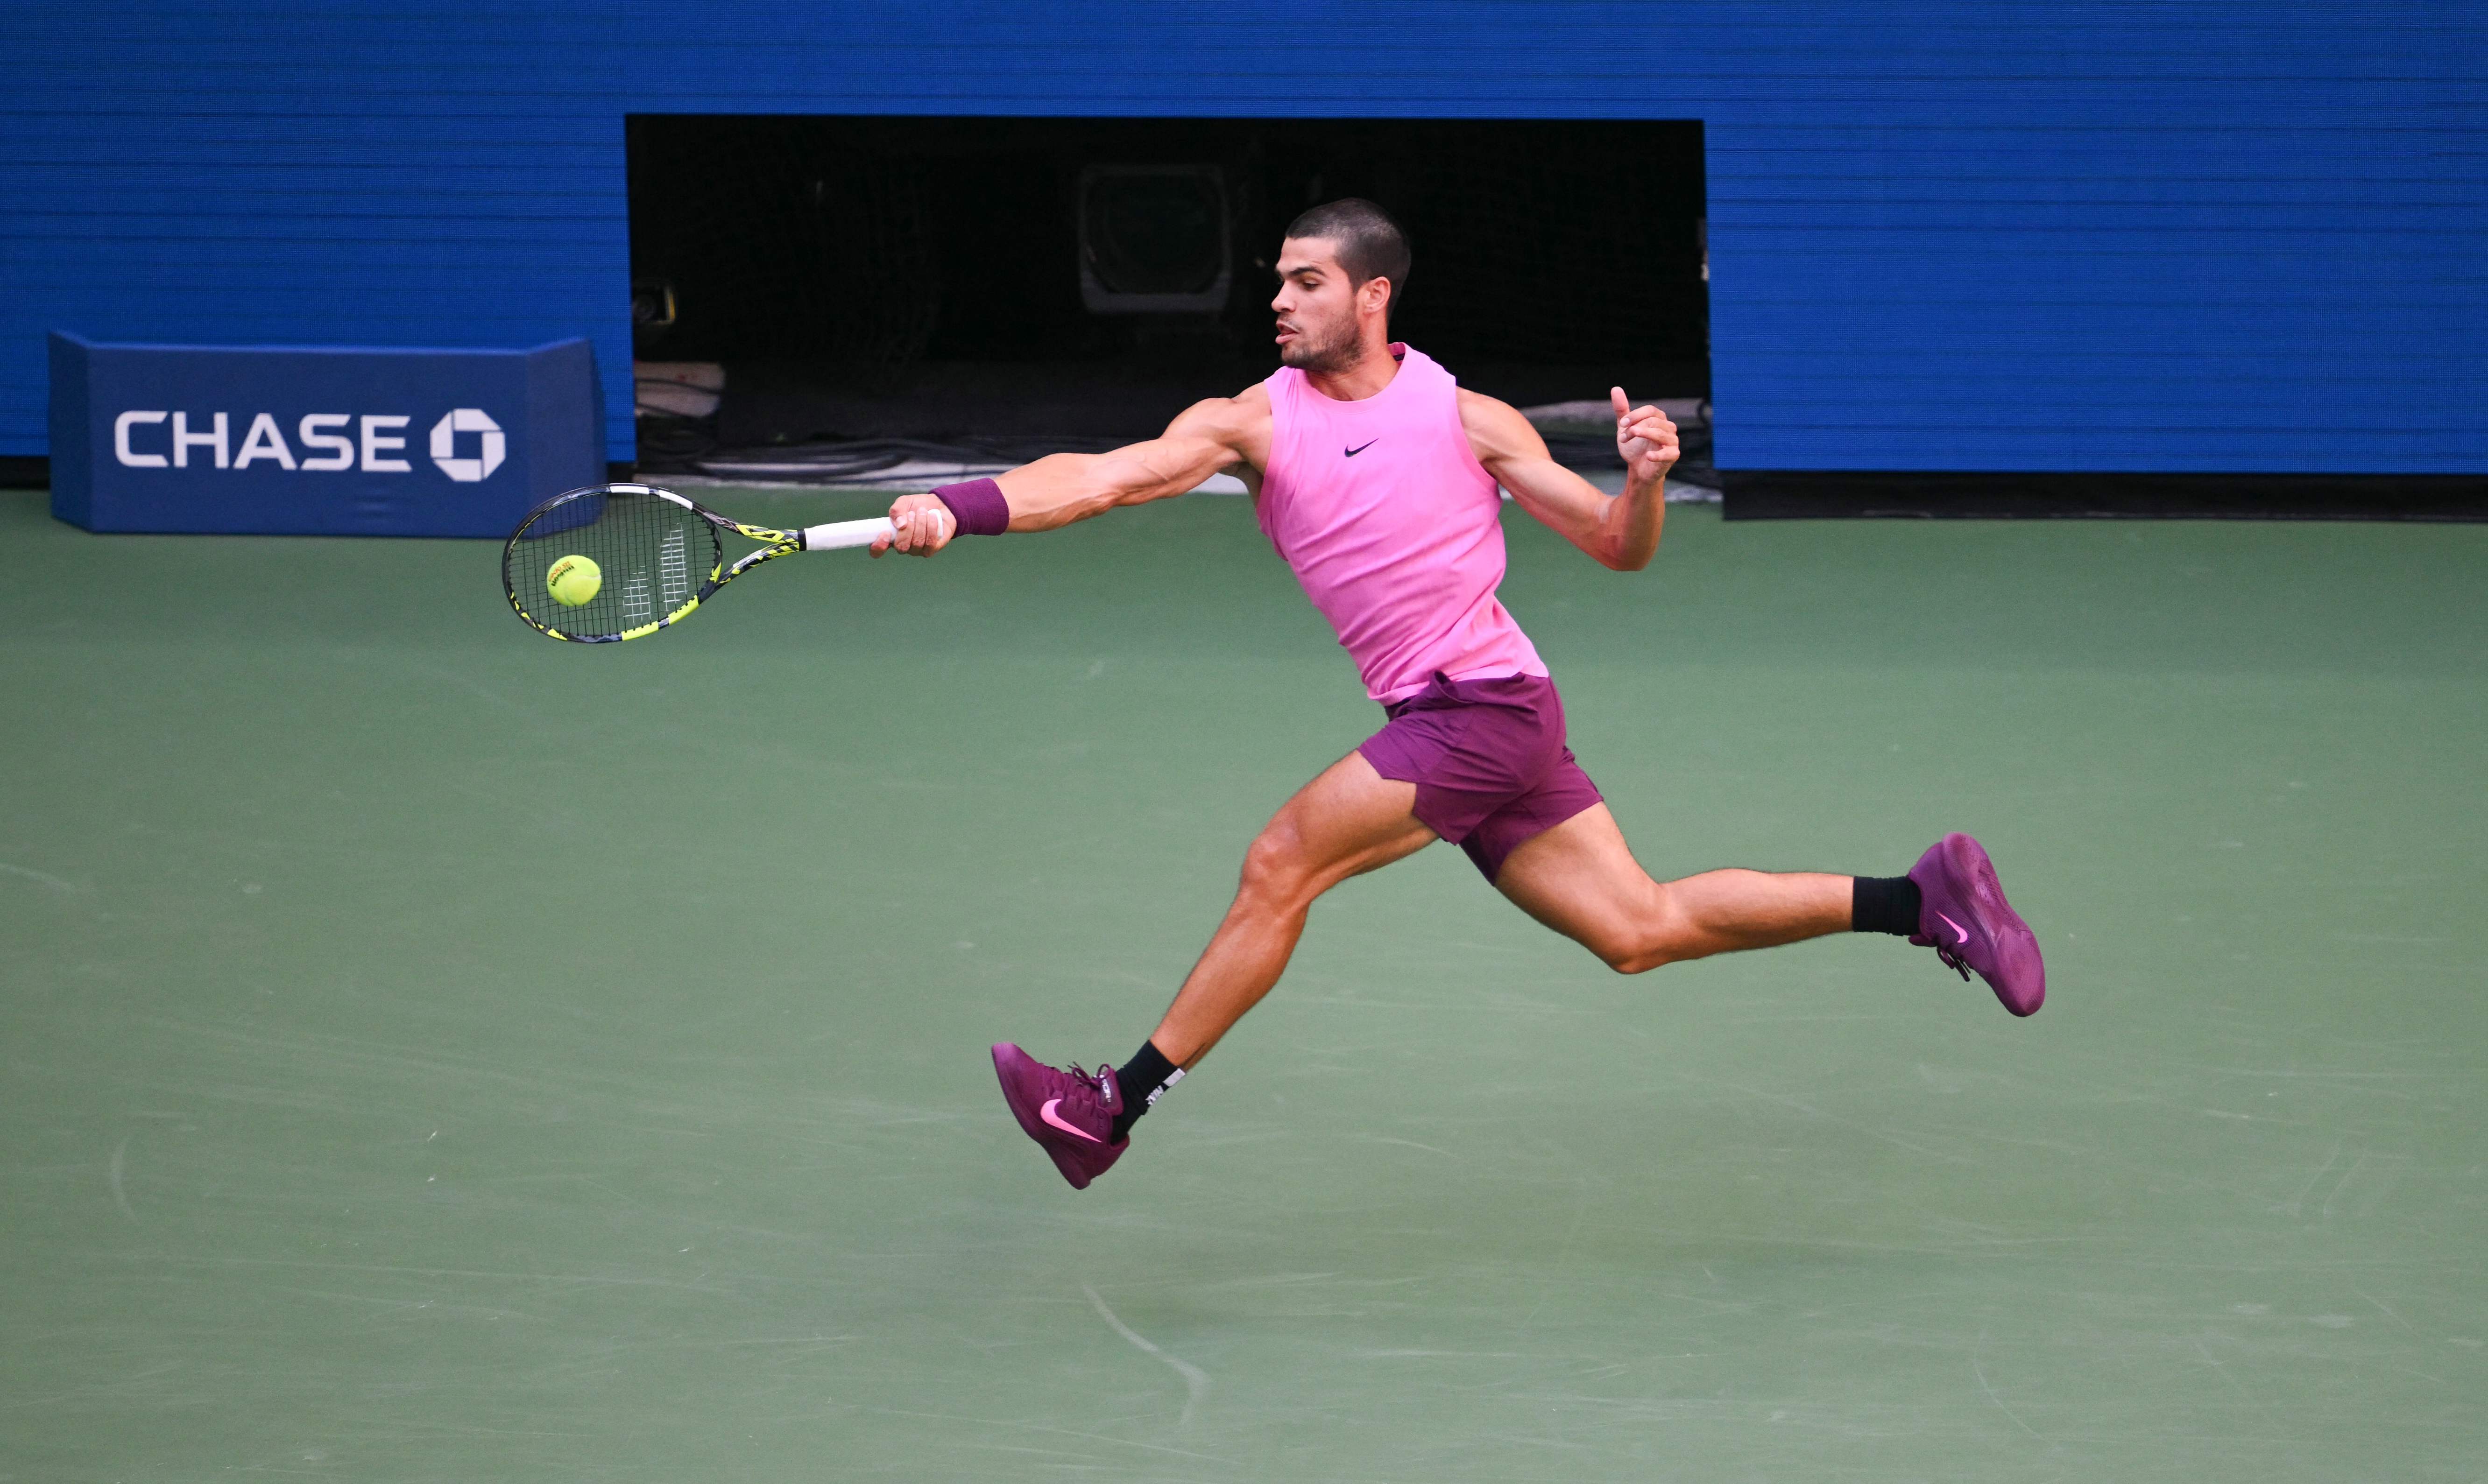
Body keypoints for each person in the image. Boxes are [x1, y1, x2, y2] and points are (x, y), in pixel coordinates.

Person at [872, 198, 2044, 1190]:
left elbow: (1617, 547)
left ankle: (1107, 1109)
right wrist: (957, 507)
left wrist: (1641, 482)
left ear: (1373, 296)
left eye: (1307, 281)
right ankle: (1919, 899)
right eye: (1278, 282)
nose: (1278, 301)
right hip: (1485, 722)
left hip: (1479, 710)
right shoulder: (1250, 424)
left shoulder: (1463, 416)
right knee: (1640, 930)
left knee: (1285, 862)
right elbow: (1100, 481)